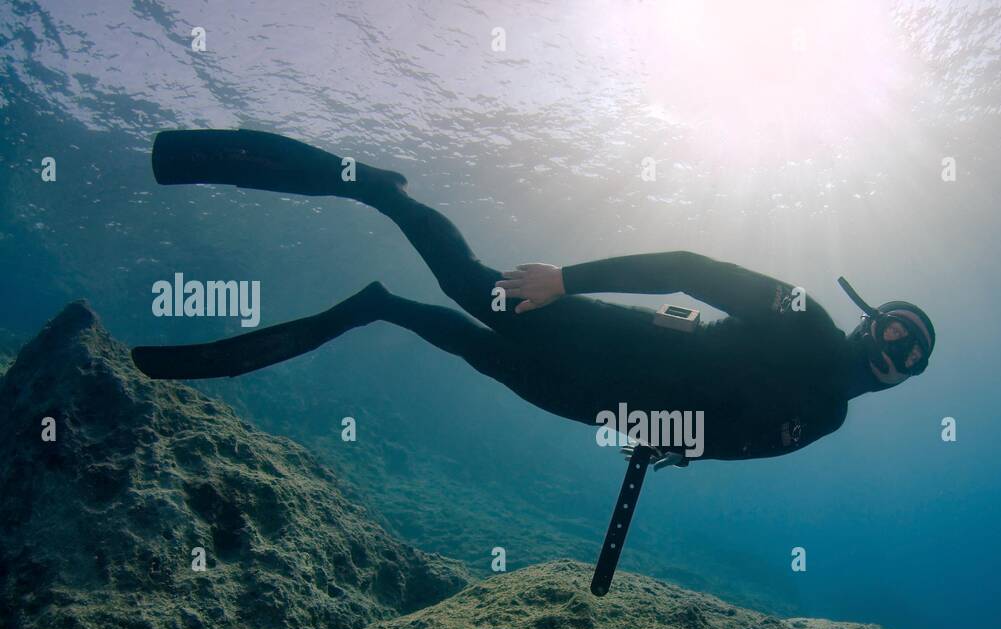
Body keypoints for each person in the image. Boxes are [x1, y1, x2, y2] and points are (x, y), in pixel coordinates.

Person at [132, 129, 935, 465]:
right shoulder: (806, 317)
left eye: (913, 355)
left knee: (469, 347)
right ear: (872, 314)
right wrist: (567, 280)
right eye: (900, 329)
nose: (897, 350)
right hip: (597, 335)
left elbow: (731, 443)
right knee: (465, 284)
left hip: (593, 406)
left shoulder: (827, 419)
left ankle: (373, 305)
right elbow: (692, 266)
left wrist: (662, 443)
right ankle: (381, 190)